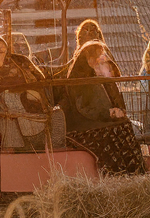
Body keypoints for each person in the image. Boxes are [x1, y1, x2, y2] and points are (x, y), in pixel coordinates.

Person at [61, 40, 145, 176]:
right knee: (115, 132)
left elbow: (115, 102)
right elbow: (84, 109)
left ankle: (133, 172)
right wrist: (108, 113)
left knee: (124, 125)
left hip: (99, 123)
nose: (103, 60)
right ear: (89, 60)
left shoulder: (101, 79)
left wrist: (117, 111)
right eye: (99, 58)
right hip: (83, 128)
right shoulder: (80, 81)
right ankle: (116, 173)